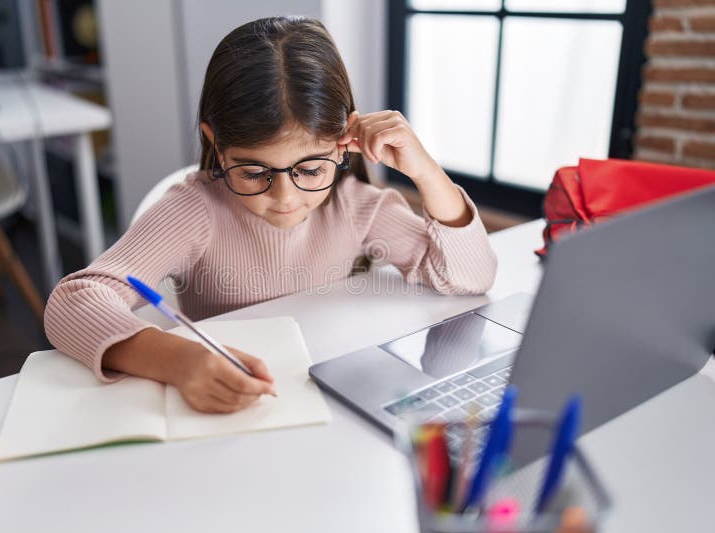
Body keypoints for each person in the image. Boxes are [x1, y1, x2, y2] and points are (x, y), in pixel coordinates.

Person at [44, 16, 497, 415]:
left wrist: (426, 172)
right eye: (254, 171)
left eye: (311, 170)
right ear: (216, 143)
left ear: (344, 142)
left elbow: (469, 278)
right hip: (237, 409)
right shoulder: (194, 211)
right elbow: (73, 303)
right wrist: (178, 359)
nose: (284, 196)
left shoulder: (358, 206)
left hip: (326, 404)